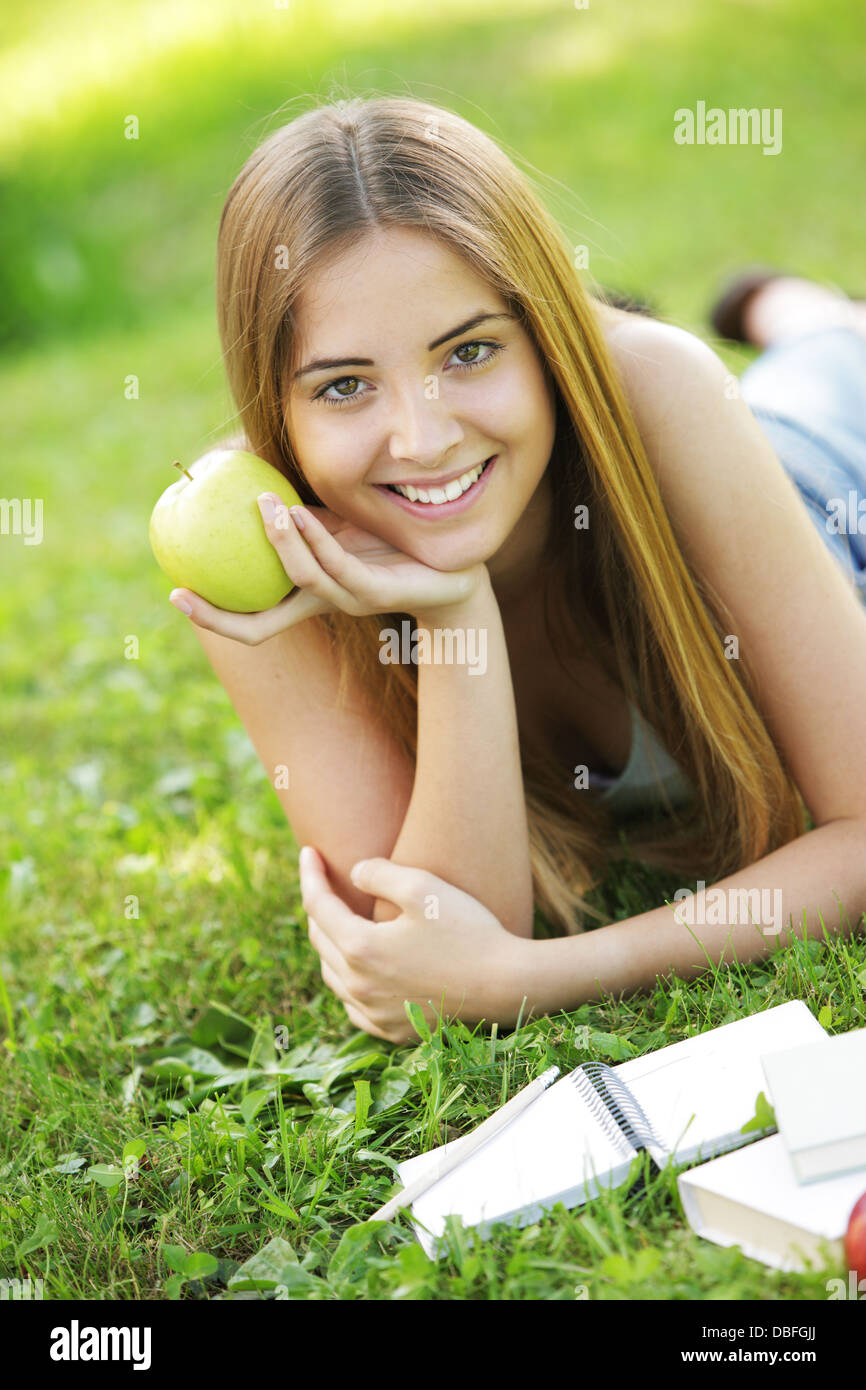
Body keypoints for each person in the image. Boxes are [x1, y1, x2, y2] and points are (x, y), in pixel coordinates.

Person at [166, 95, 866, 1043]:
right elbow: (423, 960)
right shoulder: (253, 535)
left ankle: (798, 310)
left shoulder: (659, 387)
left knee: (833, 365)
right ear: (275, 407)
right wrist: (459, 617)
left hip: (825, 481)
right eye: (343, 384)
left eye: (471, 351)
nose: (423, 439)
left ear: (546, 339)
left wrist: (550, 974)